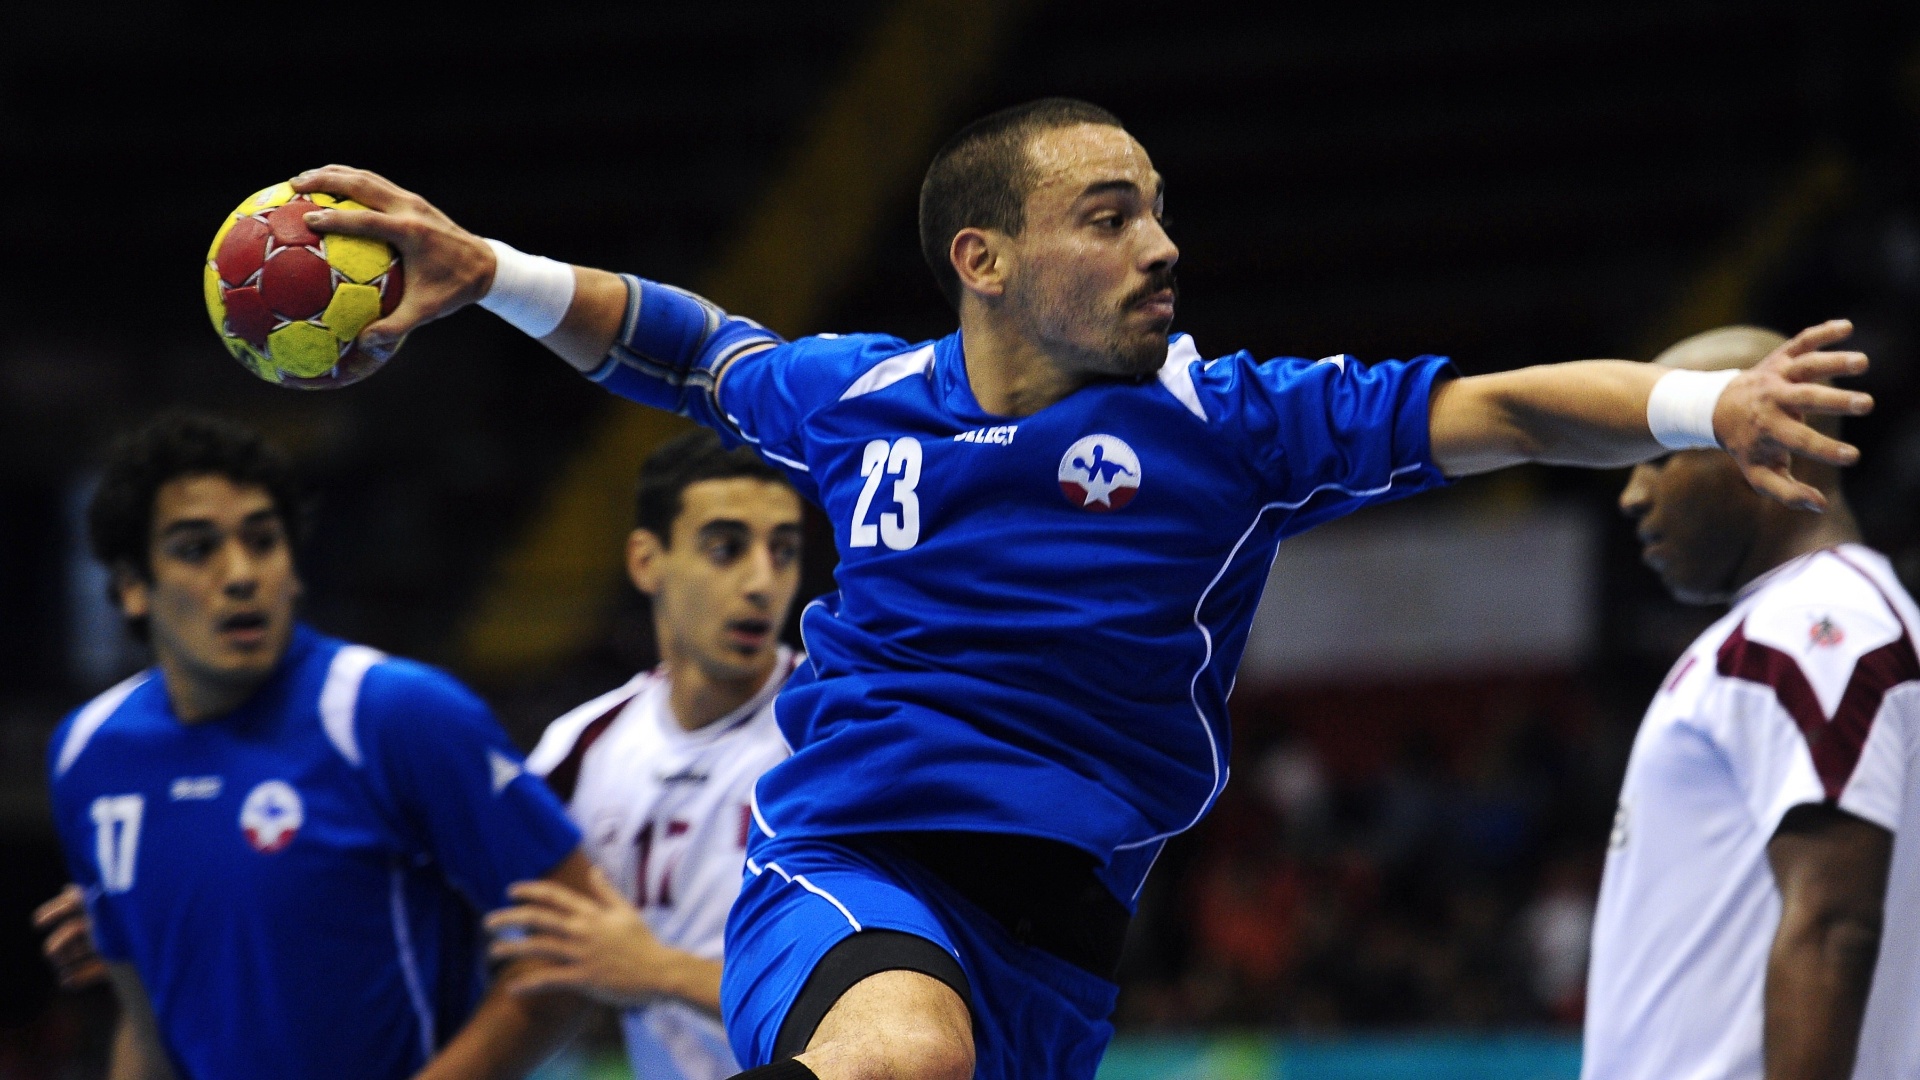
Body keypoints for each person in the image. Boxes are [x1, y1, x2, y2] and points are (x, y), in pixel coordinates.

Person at [290, 97, 1872, 1080]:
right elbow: (688, 349)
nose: (1160, 247)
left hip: (1063, 948)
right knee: (903, 1059)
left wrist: (1701, 408)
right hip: (851, 867)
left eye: (1161, 210)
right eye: (1109, 217)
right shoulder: (865, 396)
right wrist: (485, 269)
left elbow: (1512, 408)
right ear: (984, 258)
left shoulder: (1232, 423)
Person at [41, 413, 595, 1080]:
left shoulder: (392, 713)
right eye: (196, 549)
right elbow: (147, 1018)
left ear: (295, 570)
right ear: (133, 585)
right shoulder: (88, 756)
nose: (241, 574)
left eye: (264, 540)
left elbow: (576, 943)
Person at [1584, 326, 1918, 1080]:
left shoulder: (1817, 629)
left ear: (1780, 442)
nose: (1633, 495)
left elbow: (1835, 926)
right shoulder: (1804, 627)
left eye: (1661, 453)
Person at [483, 429, 805, 1080]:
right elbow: (542, 965)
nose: (761, 583)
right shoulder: (580, 749)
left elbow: (881, 999)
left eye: (784, 551)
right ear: (644, 561)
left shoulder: (834, 731)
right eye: (726, 548)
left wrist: (659, 971)